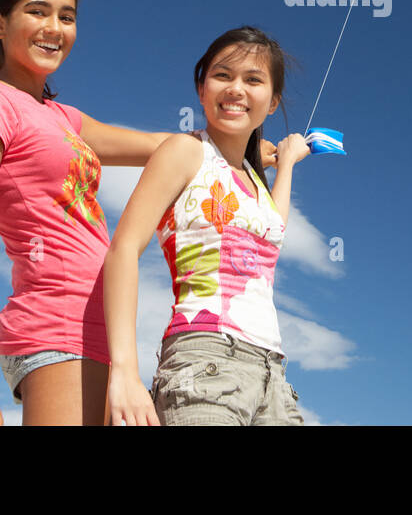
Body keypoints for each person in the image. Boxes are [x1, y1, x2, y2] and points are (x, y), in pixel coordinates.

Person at [0, 0, 187, 425]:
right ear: (0, 23)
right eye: (38, 12)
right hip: (55, 323)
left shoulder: (64, 118)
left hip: (106, 331)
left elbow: (161, 146)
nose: (54, 28)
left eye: (67, 17)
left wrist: (253, 148)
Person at [103, 26, 309, 425]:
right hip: (206, 360)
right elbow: (123, 248)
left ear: (273, 102)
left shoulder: (253, 181)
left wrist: (285, 164)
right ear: (201, 89)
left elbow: (273, 234)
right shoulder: (185, 151)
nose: (236, 88)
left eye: (253, 80)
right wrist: (124, 371)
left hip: (273, 377)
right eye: (222, 75)